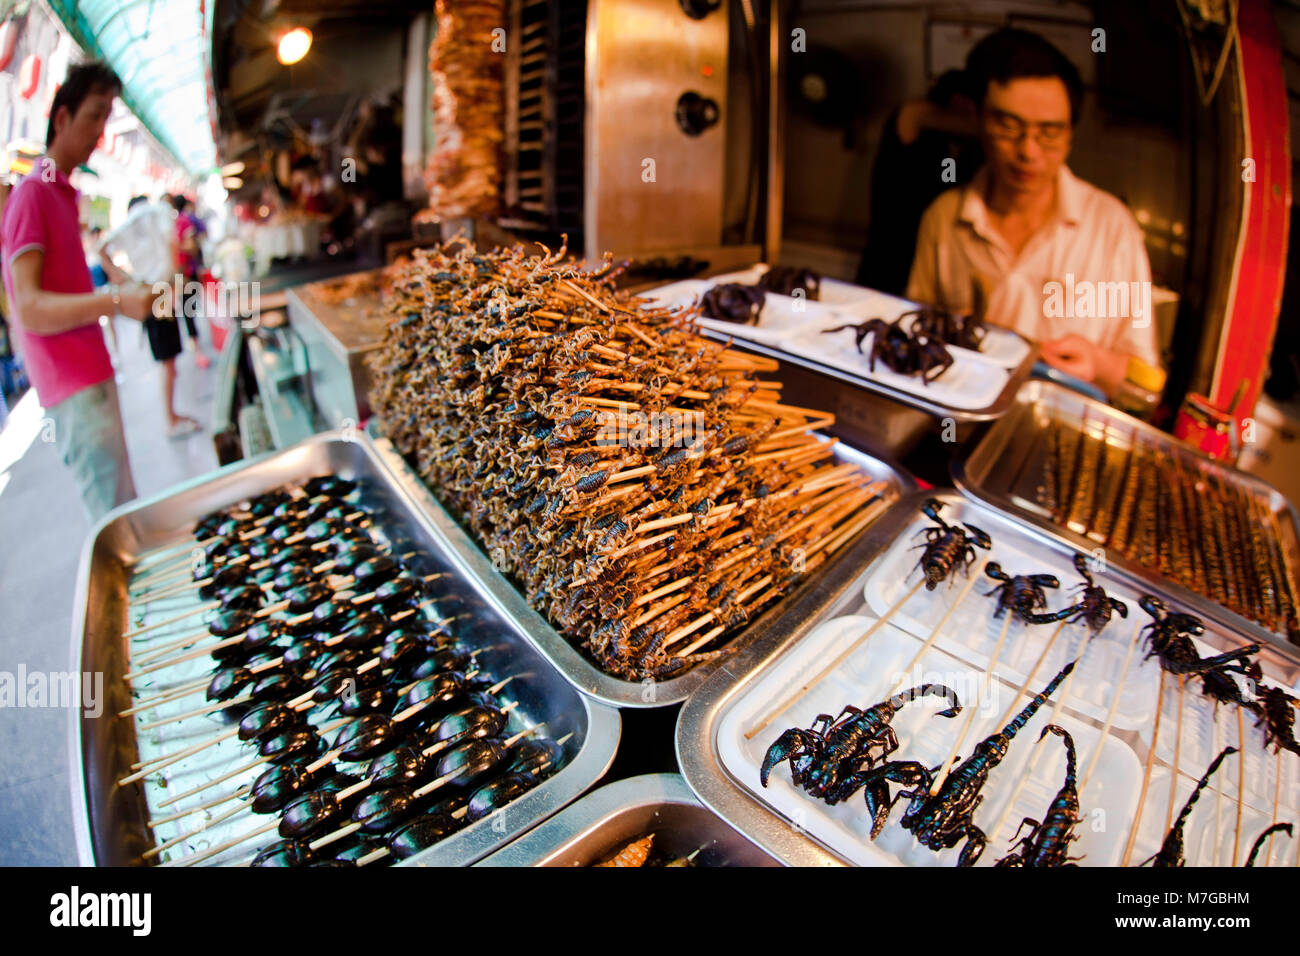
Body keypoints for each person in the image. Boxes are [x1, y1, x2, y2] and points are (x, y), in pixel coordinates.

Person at [906, 28, 1159, 397]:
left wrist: (1098, 362)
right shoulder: (944, 219)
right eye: (1008, 126)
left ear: (1071, 133)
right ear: (977, 118)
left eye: (1049, 133)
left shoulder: (1111, 227)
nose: (1028, 151)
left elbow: (1146, 383)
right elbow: (917, 330)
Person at [1, 61, 157, 522]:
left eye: (108, 119)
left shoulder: (62, 194)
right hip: (72, 386)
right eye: (94, 116)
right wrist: (114, 301)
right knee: (116, 520)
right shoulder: (33, 193)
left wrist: (121, 288)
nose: (100, 132)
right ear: (62, 117)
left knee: (124, 507)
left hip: (90, 375)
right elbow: (27, 308)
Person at [857, 70, 981, 295]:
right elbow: (972, 126)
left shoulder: (965, 152)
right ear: (956, 101)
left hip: (925, 263)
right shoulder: (911, 117)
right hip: (888, 258)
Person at [100, 195, 201, 439]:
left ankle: (172, 415)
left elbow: (103, 250)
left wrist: (127, 279)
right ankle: (170, 420)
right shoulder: (156, 215)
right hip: (158, 296)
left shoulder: (135, 225)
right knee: (167, 362)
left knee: (168, 361)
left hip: (152, 293)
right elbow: (172, 247)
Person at [171, 194, 210, 368]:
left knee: (190, 310)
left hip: (185, 273)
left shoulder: (180, 222)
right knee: (190, 310)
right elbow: (195, 243)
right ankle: (197, 348)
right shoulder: (181, 222)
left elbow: (192, 245)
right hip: (184, 274)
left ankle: (197, 347)